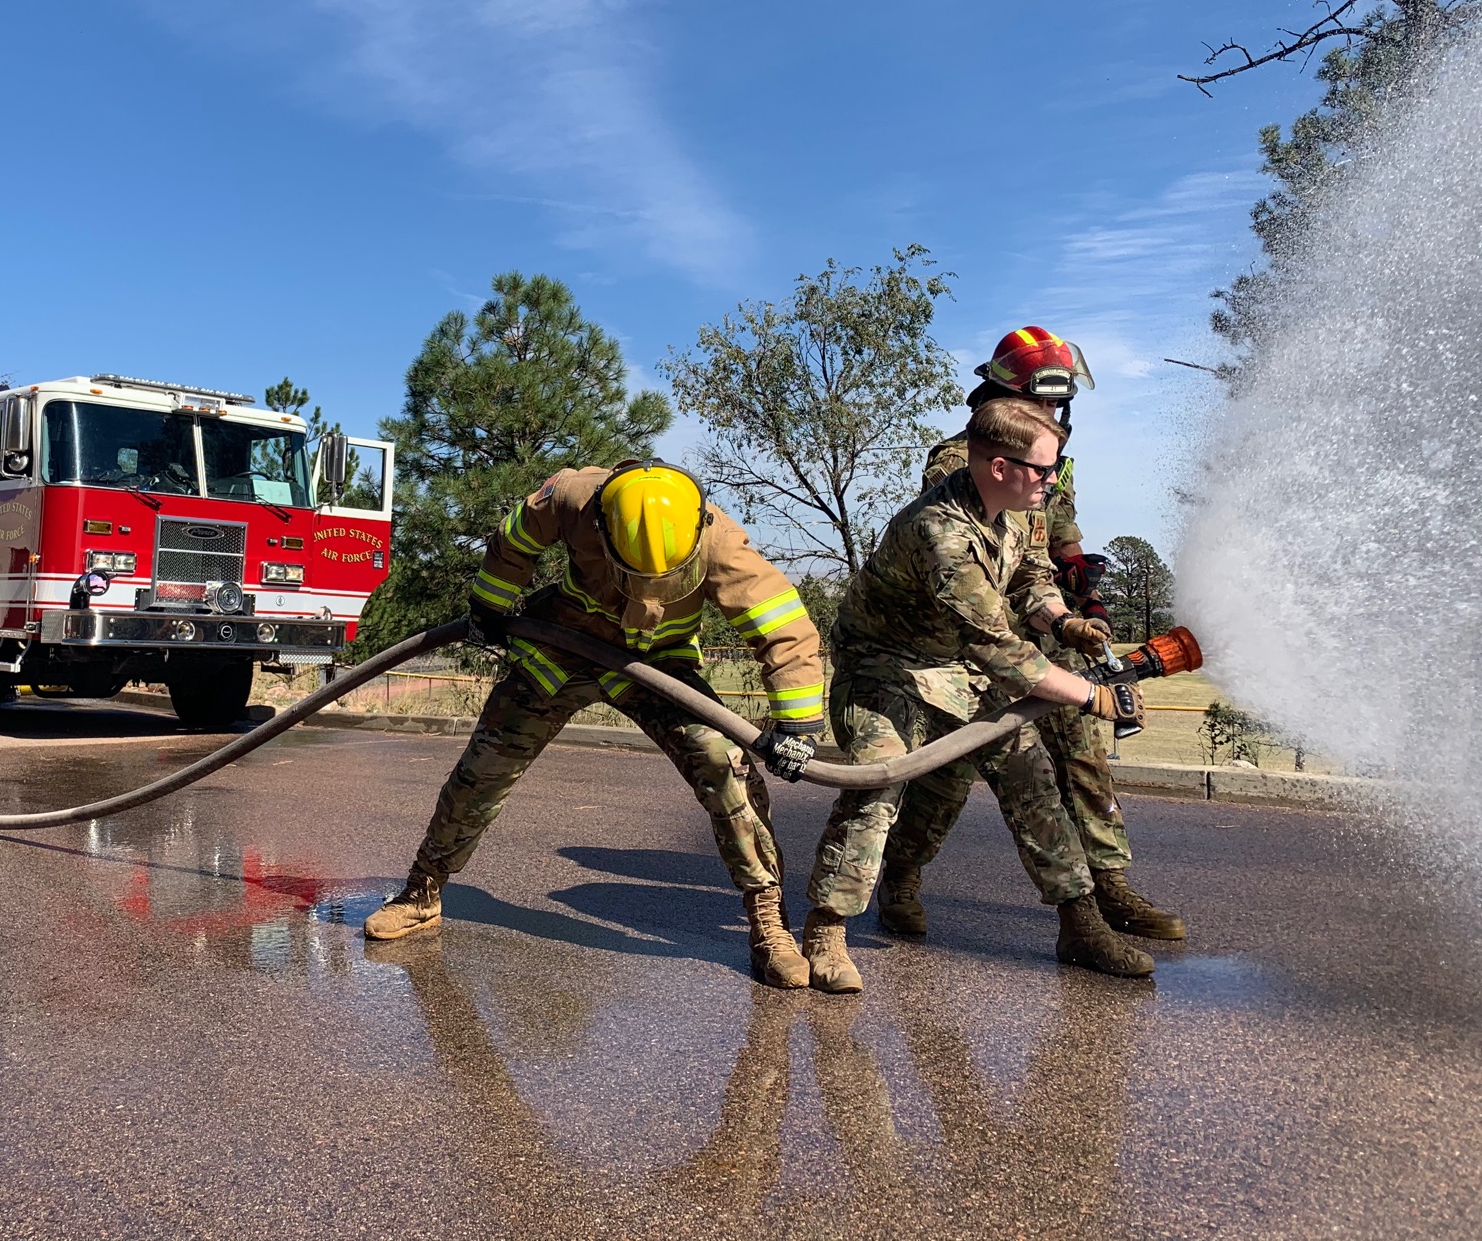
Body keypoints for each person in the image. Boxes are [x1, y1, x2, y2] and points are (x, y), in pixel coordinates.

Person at [362, 461, 830, 989]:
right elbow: (512, 542)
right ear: (603, 528)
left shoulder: (718, 539)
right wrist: (490, 607)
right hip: (562, 650)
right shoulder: (570, 498)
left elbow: (784, 627)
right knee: (485, 767)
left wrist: (798, 726)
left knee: (727, 771)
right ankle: (422, 892)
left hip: (659, 666)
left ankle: (769, 926)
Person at [799, 397, 1155, 993]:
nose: (1052, 481)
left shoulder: (1015, 512)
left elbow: (1029, 578)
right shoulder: (940, 533)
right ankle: (826, 929)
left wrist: (1063, 622)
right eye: (1043, 470)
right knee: (878, 777)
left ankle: (1081, 925)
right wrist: (1092, 697)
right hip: (884, 669)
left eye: (1055, 469)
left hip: (956, 666)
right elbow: (1000, 651)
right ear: (999, 468)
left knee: (1032, 778)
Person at [878, 327, 1185, 942]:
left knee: (1084, 758)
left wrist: (1082, 596)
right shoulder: (961, 458)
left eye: (1059, 405)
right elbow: (968, 561)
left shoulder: (1051, 458)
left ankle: (1109, 887)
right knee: (952, 774)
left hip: (1045, 633)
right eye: (1045, 402)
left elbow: (1057, 535)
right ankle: (901, 880)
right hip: (980, 644)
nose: (1054, 414)